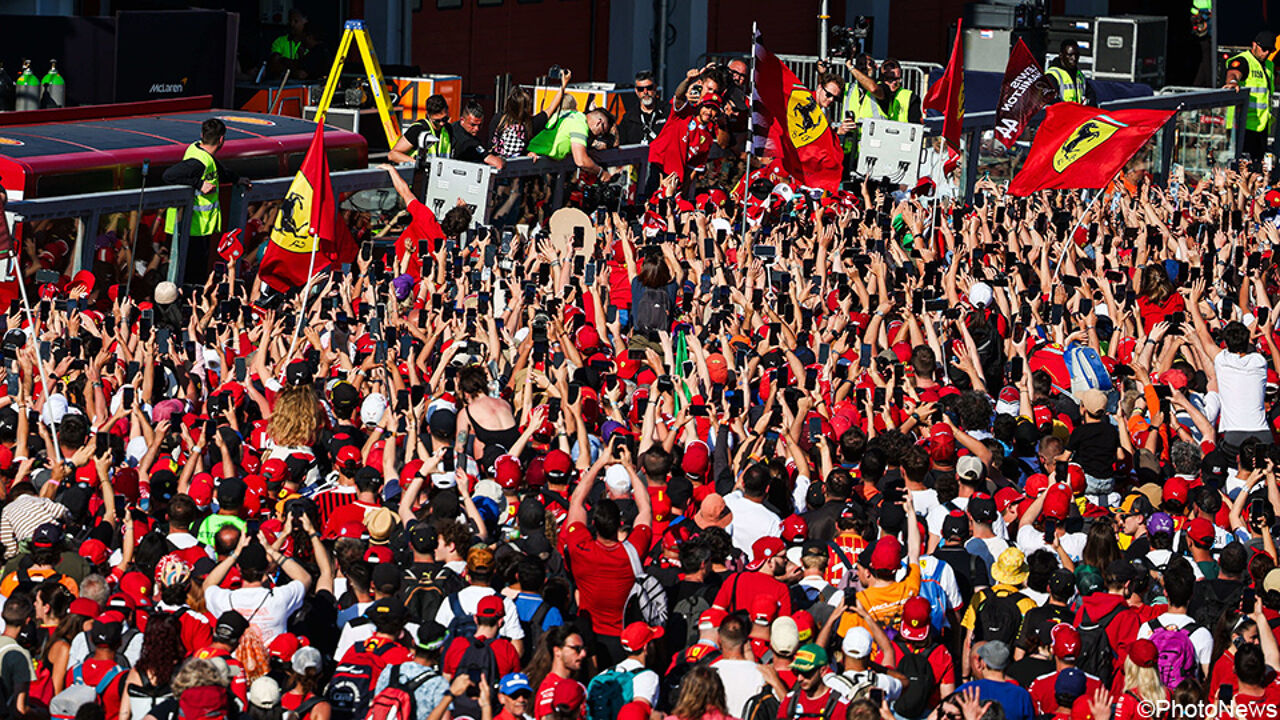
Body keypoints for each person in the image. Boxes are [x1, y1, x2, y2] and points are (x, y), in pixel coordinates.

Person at [161, 118, 249, 283]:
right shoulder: (199, 161)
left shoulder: (198, 150)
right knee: (192, 277)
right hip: (191, 228)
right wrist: (199, 184)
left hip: (195, 227)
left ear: (202, 135)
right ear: (222, 139)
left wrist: (236, 179)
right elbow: (169, 176)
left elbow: (218, 169)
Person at [526, 68, 616, 180]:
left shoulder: (571, 115)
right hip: (530, 162)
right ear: (599, 123)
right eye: (601, 132)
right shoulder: (580, 123)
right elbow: (581, 160)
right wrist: (602, 173)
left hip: (530, 156)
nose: (598, 136)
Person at [1225, 30, 1277, 161]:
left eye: (1270, 51)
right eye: (1264, 49)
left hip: (1261, 125)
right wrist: (1232, 82)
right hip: (1243, 125)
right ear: (1254, 45)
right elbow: (1234, 73)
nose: (1266, 53)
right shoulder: (1244, 60)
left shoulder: (1269, 66)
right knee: (1243, 168)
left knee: (1257, 167)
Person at [388, 94, 454, 166]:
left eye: (445, 119)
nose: (441, 124)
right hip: (416, 174)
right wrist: (417, 162)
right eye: (437, 121)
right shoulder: (418, 130)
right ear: (428, 115)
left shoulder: (448, 129)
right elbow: (393, 155)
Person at [618, 71, 669, 145]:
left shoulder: (667, 111)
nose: (645, 92)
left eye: (649, 88)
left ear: (655, 88)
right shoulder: (629, 118)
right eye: (641, 89)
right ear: (636, 91)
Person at [1046, 41, 1094, 106]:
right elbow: (1050, 102)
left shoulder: (1080, 75)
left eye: (1076, 55)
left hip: (1078, 114)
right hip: (1062, 114)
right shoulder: (1052, 75)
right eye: (1070, 55)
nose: (1074, 58)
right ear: (1061, 55)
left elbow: (1091, 97)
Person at [268, 9, 309, 79]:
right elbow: (275, 65)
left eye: (296, 21)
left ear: (305, 22)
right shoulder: (280, 41)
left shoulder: (310, 42)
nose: (292, 24)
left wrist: (285, 62)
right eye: (290, 21)